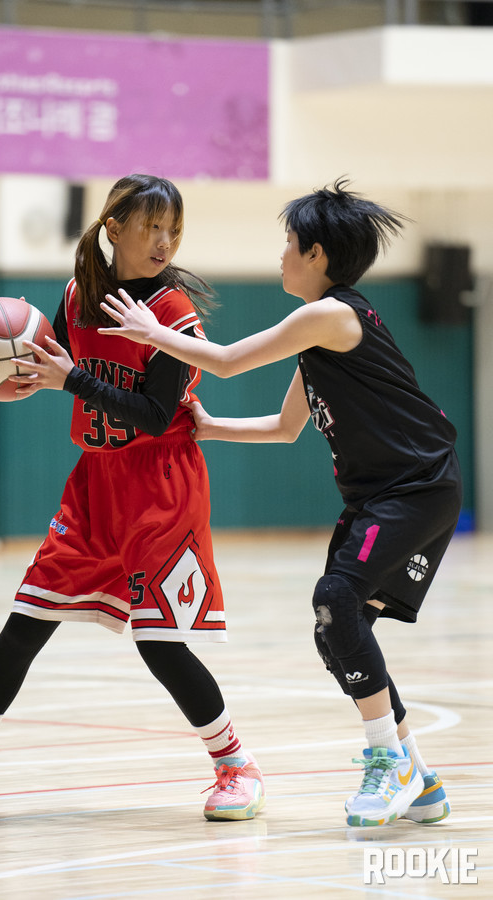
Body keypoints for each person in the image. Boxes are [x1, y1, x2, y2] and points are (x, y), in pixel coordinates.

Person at [99, 178, 462, 827]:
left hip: (414, 488)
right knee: (338, 632)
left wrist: (152, 331)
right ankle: (419, 777)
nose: (282, 255)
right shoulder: (320, 334)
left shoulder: (330, 314)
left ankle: (390, 763)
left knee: (336, 600)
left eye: (290, 243)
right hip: (382, 496)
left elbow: (230, 360)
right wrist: (211, 428)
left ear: (318, 255)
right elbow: (287, 426)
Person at [0, 174, 265, 825]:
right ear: (115, 228)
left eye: (173, 230)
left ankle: (235, 766)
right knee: (25, 622)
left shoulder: (172, 311)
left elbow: (156, 415)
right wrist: (19, 366)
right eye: (151, 227)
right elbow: (67, 366)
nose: (163, 241)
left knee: (158, 643)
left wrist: (71, 379)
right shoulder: (78, 296)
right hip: (95, 486)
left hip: (161, 487)